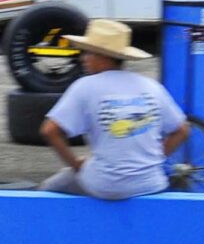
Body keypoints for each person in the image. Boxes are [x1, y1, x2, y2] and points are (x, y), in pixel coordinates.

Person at [38, 19, 188, 200]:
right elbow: (182, 130)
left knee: (47, 191)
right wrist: (155, 159)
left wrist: (76, 165)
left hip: (105, 185)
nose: (83, 58)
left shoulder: (85, 86)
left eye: (88, 53)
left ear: (102, 57)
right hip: (151, 183)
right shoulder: (150, 86)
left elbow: (49, 130)